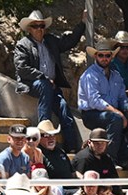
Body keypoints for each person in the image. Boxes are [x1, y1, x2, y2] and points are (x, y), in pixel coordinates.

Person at [13, 9, 85, 153]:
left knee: (64, 108)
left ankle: (71, 148)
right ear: (29, 28)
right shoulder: (23, 44)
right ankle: (43, 130)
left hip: (50, 86)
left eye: (42, 26)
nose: (39, 29)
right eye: (35, 26)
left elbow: (69, 42)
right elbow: (22, 69)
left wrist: (82, 24)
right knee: (44, 85)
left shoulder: (51, 41)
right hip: (32, 84)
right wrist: (43, 77)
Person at [78, 38, 128, 165]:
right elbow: (94, 101)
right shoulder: (90, 75)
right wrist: (118, 113)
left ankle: (123, 158)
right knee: (115, 119)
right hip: (92, 114)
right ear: (96, 56)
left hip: (112, 112)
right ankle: (110, 161)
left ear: (111, 57)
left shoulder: (116, 76)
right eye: (101, 55)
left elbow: (122, 97)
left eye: (107, 55)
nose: (104, 58)